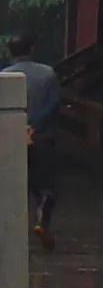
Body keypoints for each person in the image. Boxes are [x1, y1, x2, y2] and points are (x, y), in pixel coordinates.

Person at [6, 34, 60, 249]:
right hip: (42, 137)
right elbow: (53, 104)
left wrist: (20, 125)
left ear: (10, 52)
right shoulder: (48, 73)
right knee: (45, 185)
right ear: (32, 49)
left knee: (15, 186)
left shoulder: (5, 76)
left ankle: (13, 233)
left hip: (12, 139)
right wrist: (33, 125)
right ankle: (42, 219)